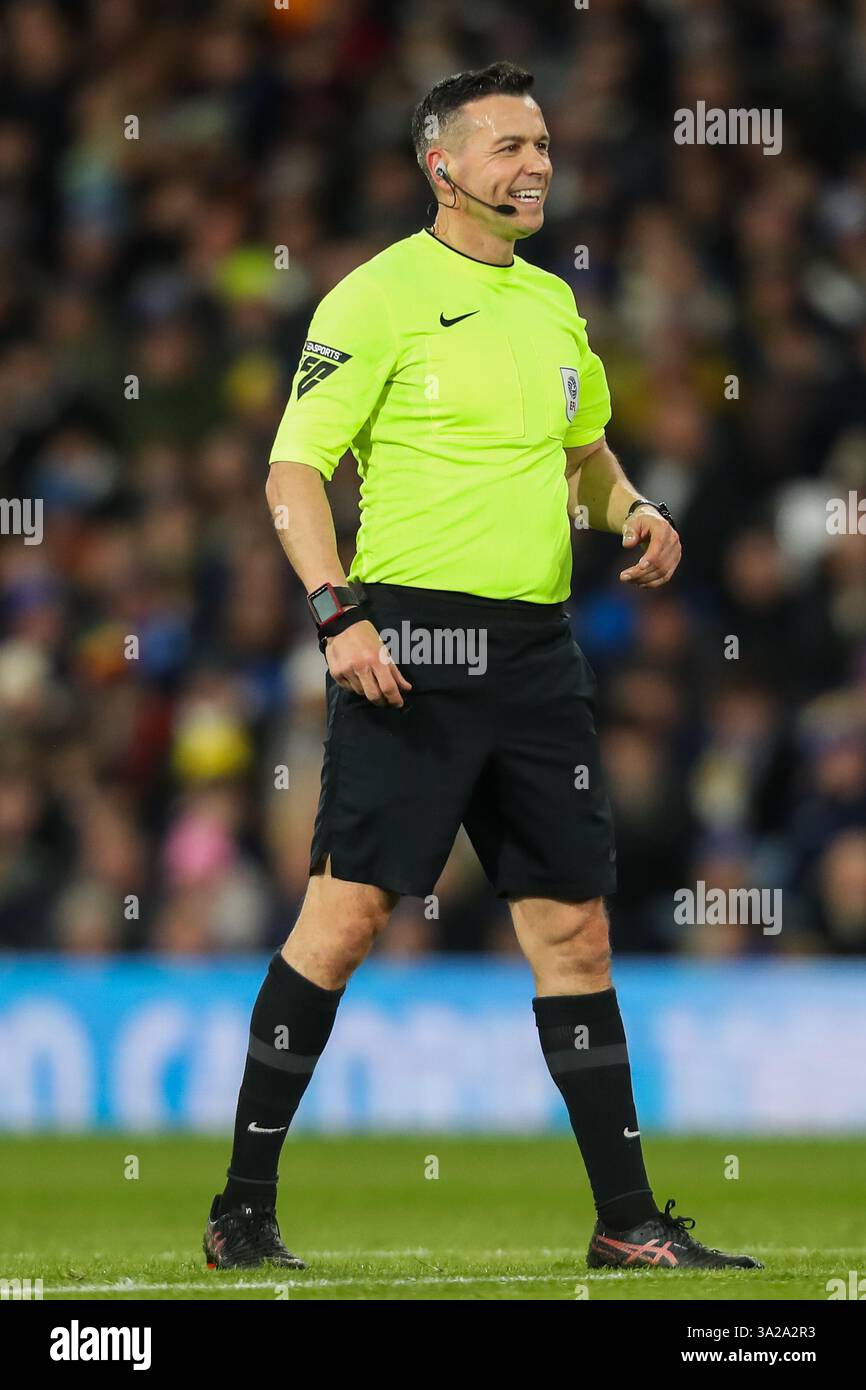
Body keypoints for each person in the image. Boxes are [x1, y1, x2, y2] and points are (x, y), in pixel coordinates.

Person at [204, 61, 760, 1274]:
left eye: (543, 144)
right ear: (438, 164)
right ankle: (241, 1209)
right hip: (404, 642)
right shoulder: (373, 298)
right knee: (343, 919)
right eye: (507, 145)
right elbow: (293, 468)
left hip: (533, 652)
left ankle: (626, 1222)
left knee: (576, 936)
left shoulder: (551, 305)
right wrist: (333, 612)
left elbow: (583, 452)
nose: (536, 165)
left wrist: (631, 509)